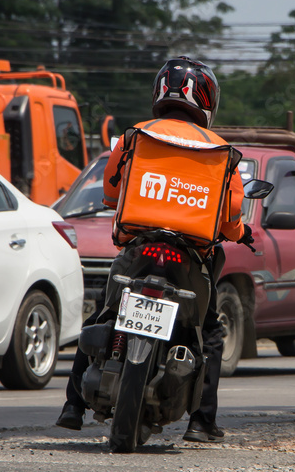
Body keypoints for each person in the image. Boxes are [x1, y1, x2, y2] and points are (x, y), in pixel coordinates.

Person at [56, 56, 253, 442]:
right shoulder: (222, 151)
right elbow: (229, 217)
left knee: (104, 312)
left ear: (160, 91)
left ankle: (72, 407)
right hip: (193, 259)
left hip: (139, 247)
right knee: (209, 331)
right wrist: (240, 230)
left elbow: (112, 192)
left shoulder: (136, 136)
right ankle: (201, 423)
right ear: (207, 100)